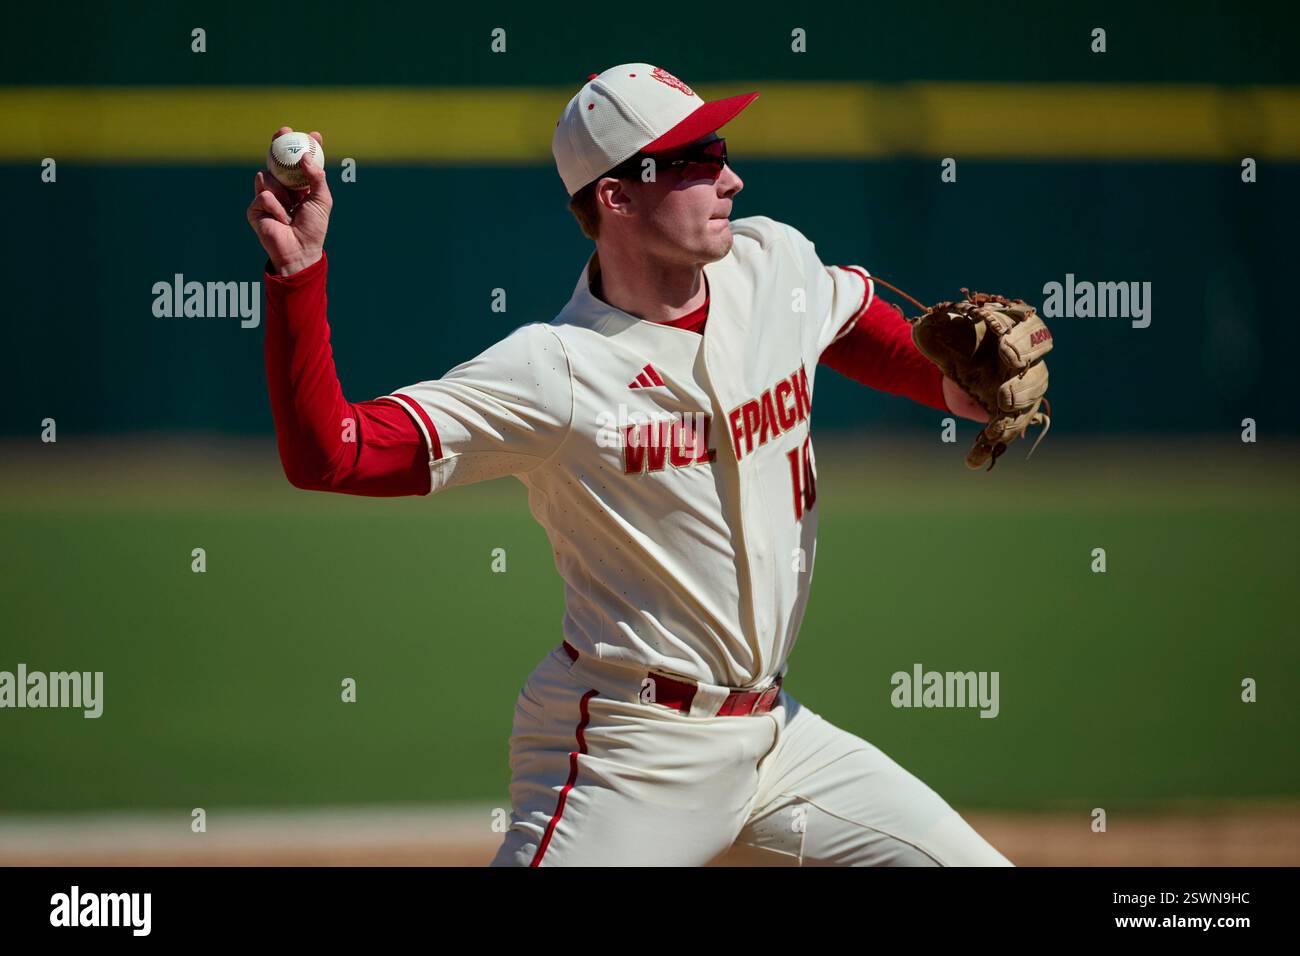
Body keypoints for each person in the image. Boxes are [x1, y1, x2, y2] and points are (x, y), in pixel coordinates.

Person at [246, 63, 1010, 866]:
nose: (730, 178)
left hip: (781, 741)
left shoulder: (771, 264)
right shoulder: (557, 372)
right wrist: (299, 275)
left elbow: (848, 316)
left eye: (721, 151)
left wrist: (951, 392)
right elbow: (330, 454)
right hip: (629, 753)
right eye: (696, 160)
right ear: (617, 196)